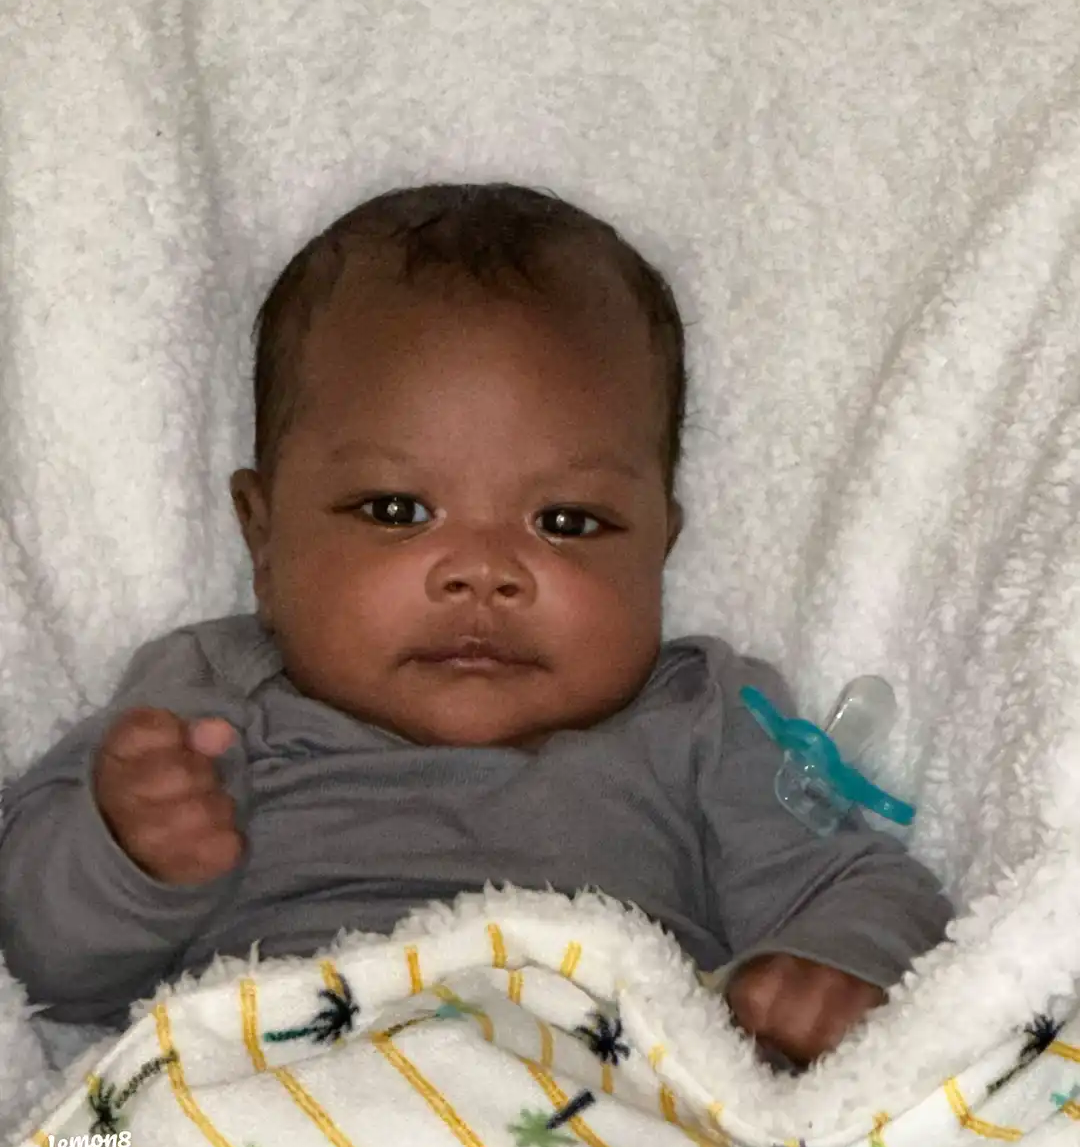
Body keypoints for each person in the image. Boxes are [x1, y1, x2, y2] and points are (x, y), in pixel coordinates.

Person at [0, 182, 951, 1066]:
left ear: (660, 545)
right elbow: (41, 964)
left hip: (600, 1138)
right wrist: (129, 854)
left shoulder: (704, 724)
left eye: (568, 523)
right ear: (263, 533)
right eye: (396, 511)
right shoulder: (209, 699)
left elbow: (862, 886)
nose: (484, 572)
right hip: (239, 1121)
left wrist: (826, 973)